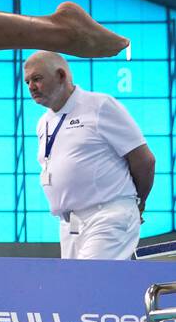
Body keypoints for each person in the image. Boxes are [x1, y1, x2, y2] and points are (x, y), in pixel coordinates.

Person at [24, 50, 154, 259]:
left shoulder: (100, 105)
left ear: (61, 76)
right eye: (27, 81)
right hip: (70, 224)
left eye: (37, 79)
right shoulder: (44, 122)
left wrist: (139, 202)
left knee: (88, 285)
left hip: (108, 215)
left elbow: (144, 160)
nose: (31, 87)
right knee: (74, 289)